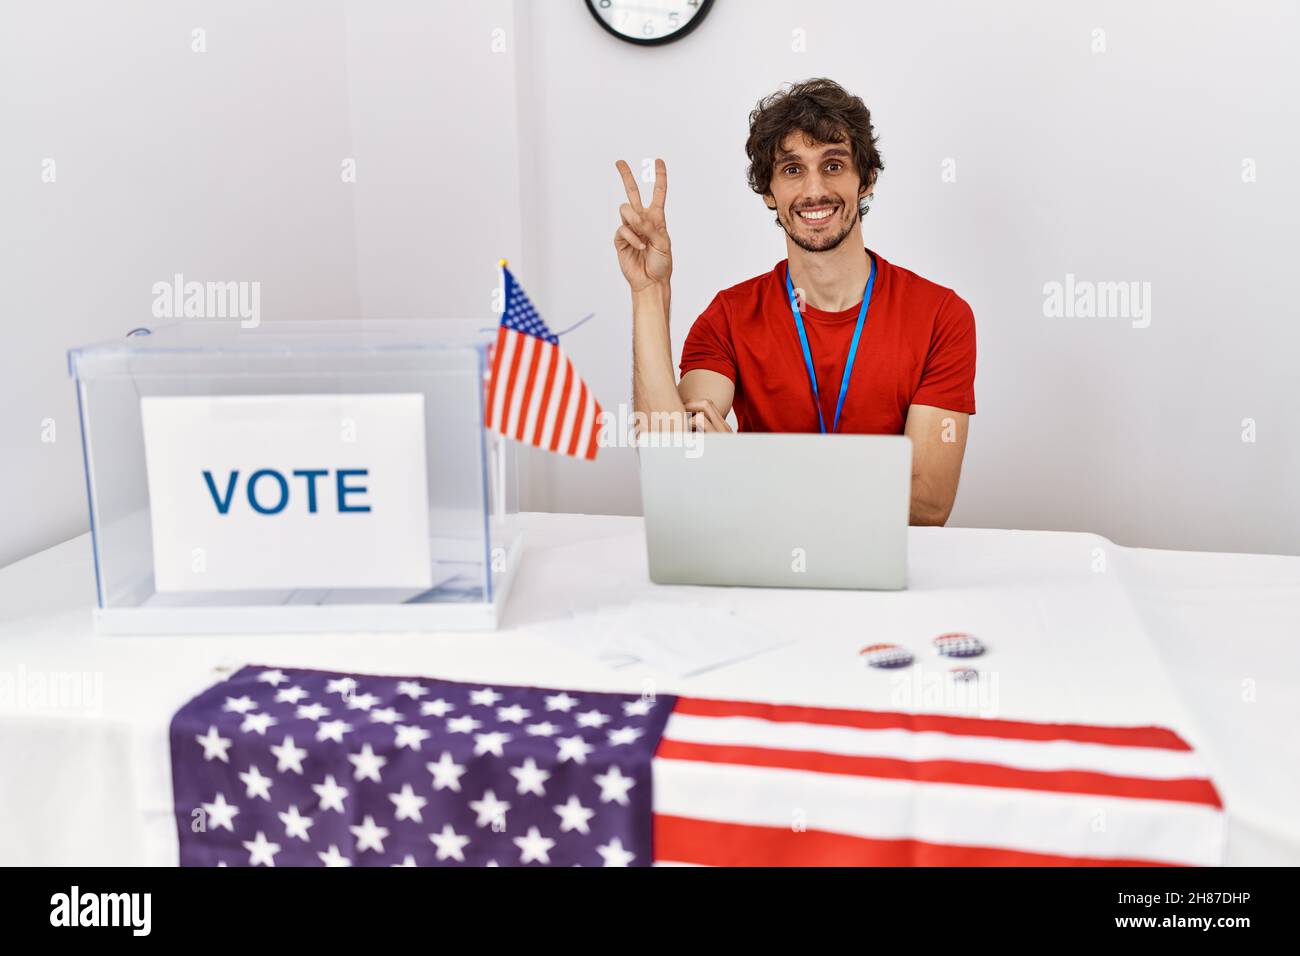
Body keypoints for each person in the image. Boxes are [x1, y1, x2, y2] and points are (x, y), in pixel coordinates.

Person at [613, 77, 976, 526]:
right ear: (768, 191)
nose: (813, 191)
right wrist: (649, 292)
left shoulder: (941, 315)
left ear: (867, 181)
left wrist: (745, 466)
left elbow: (926, 504)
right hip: (760, 564)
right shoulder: (729, 316)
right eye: (791, 169)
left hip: (883, 575)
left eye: (834, 165)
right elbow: (671, 460)